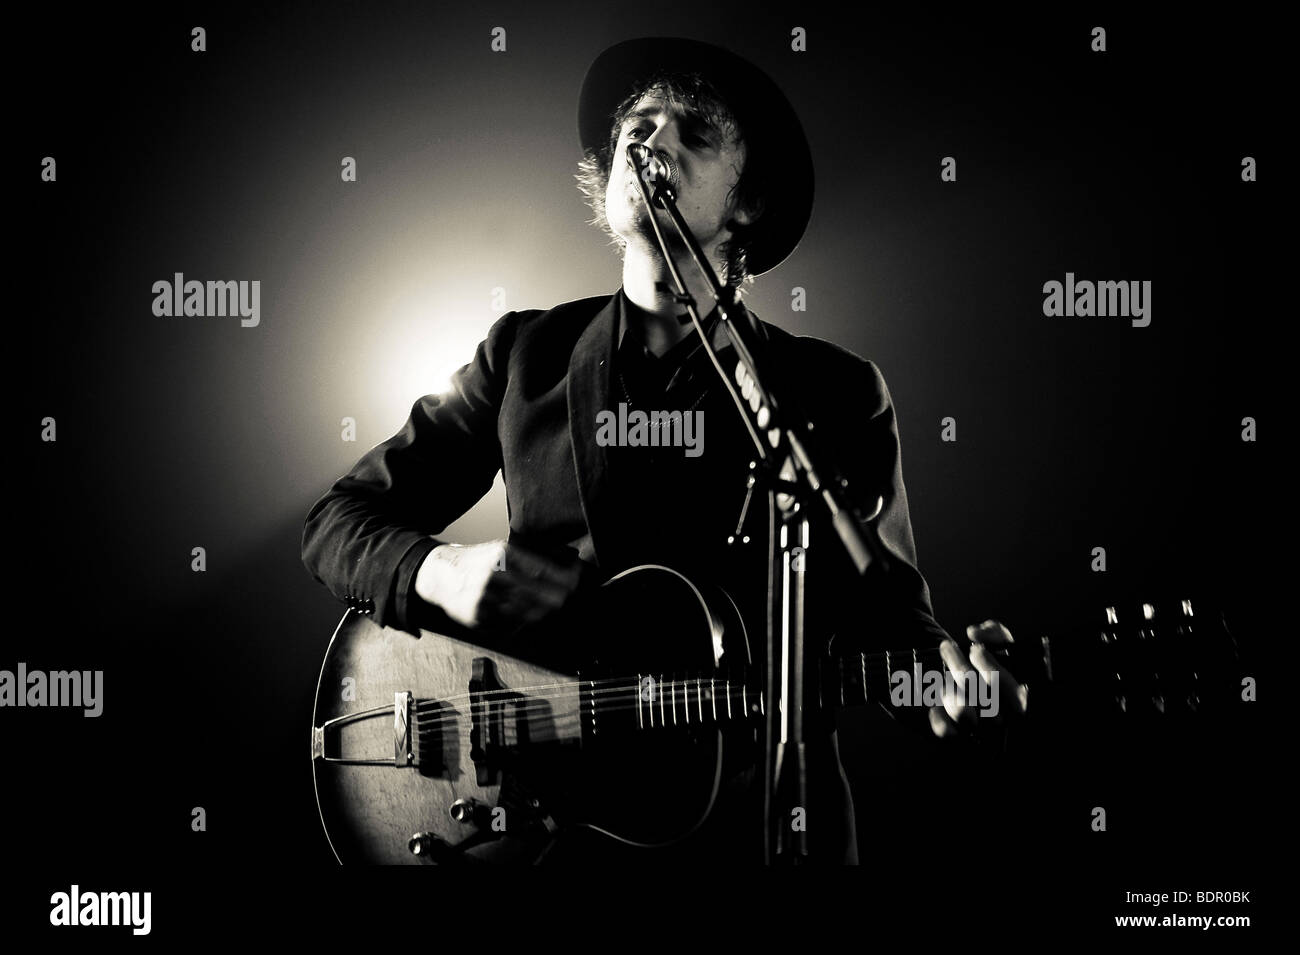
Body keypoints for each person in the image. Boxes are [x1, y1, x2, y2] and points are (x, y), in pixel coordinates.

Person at [301, 36, 1027, 864]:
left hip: (757, 832)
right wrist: (444, 573)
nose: (651, 138)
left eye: (696, 130)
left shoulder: (834, 391)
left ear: (747, 202)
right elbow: (336, 521)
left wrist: (947, 685)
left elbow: (889, 626)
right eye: (638, 122)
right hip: (548, 835)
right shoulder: (523, 356)